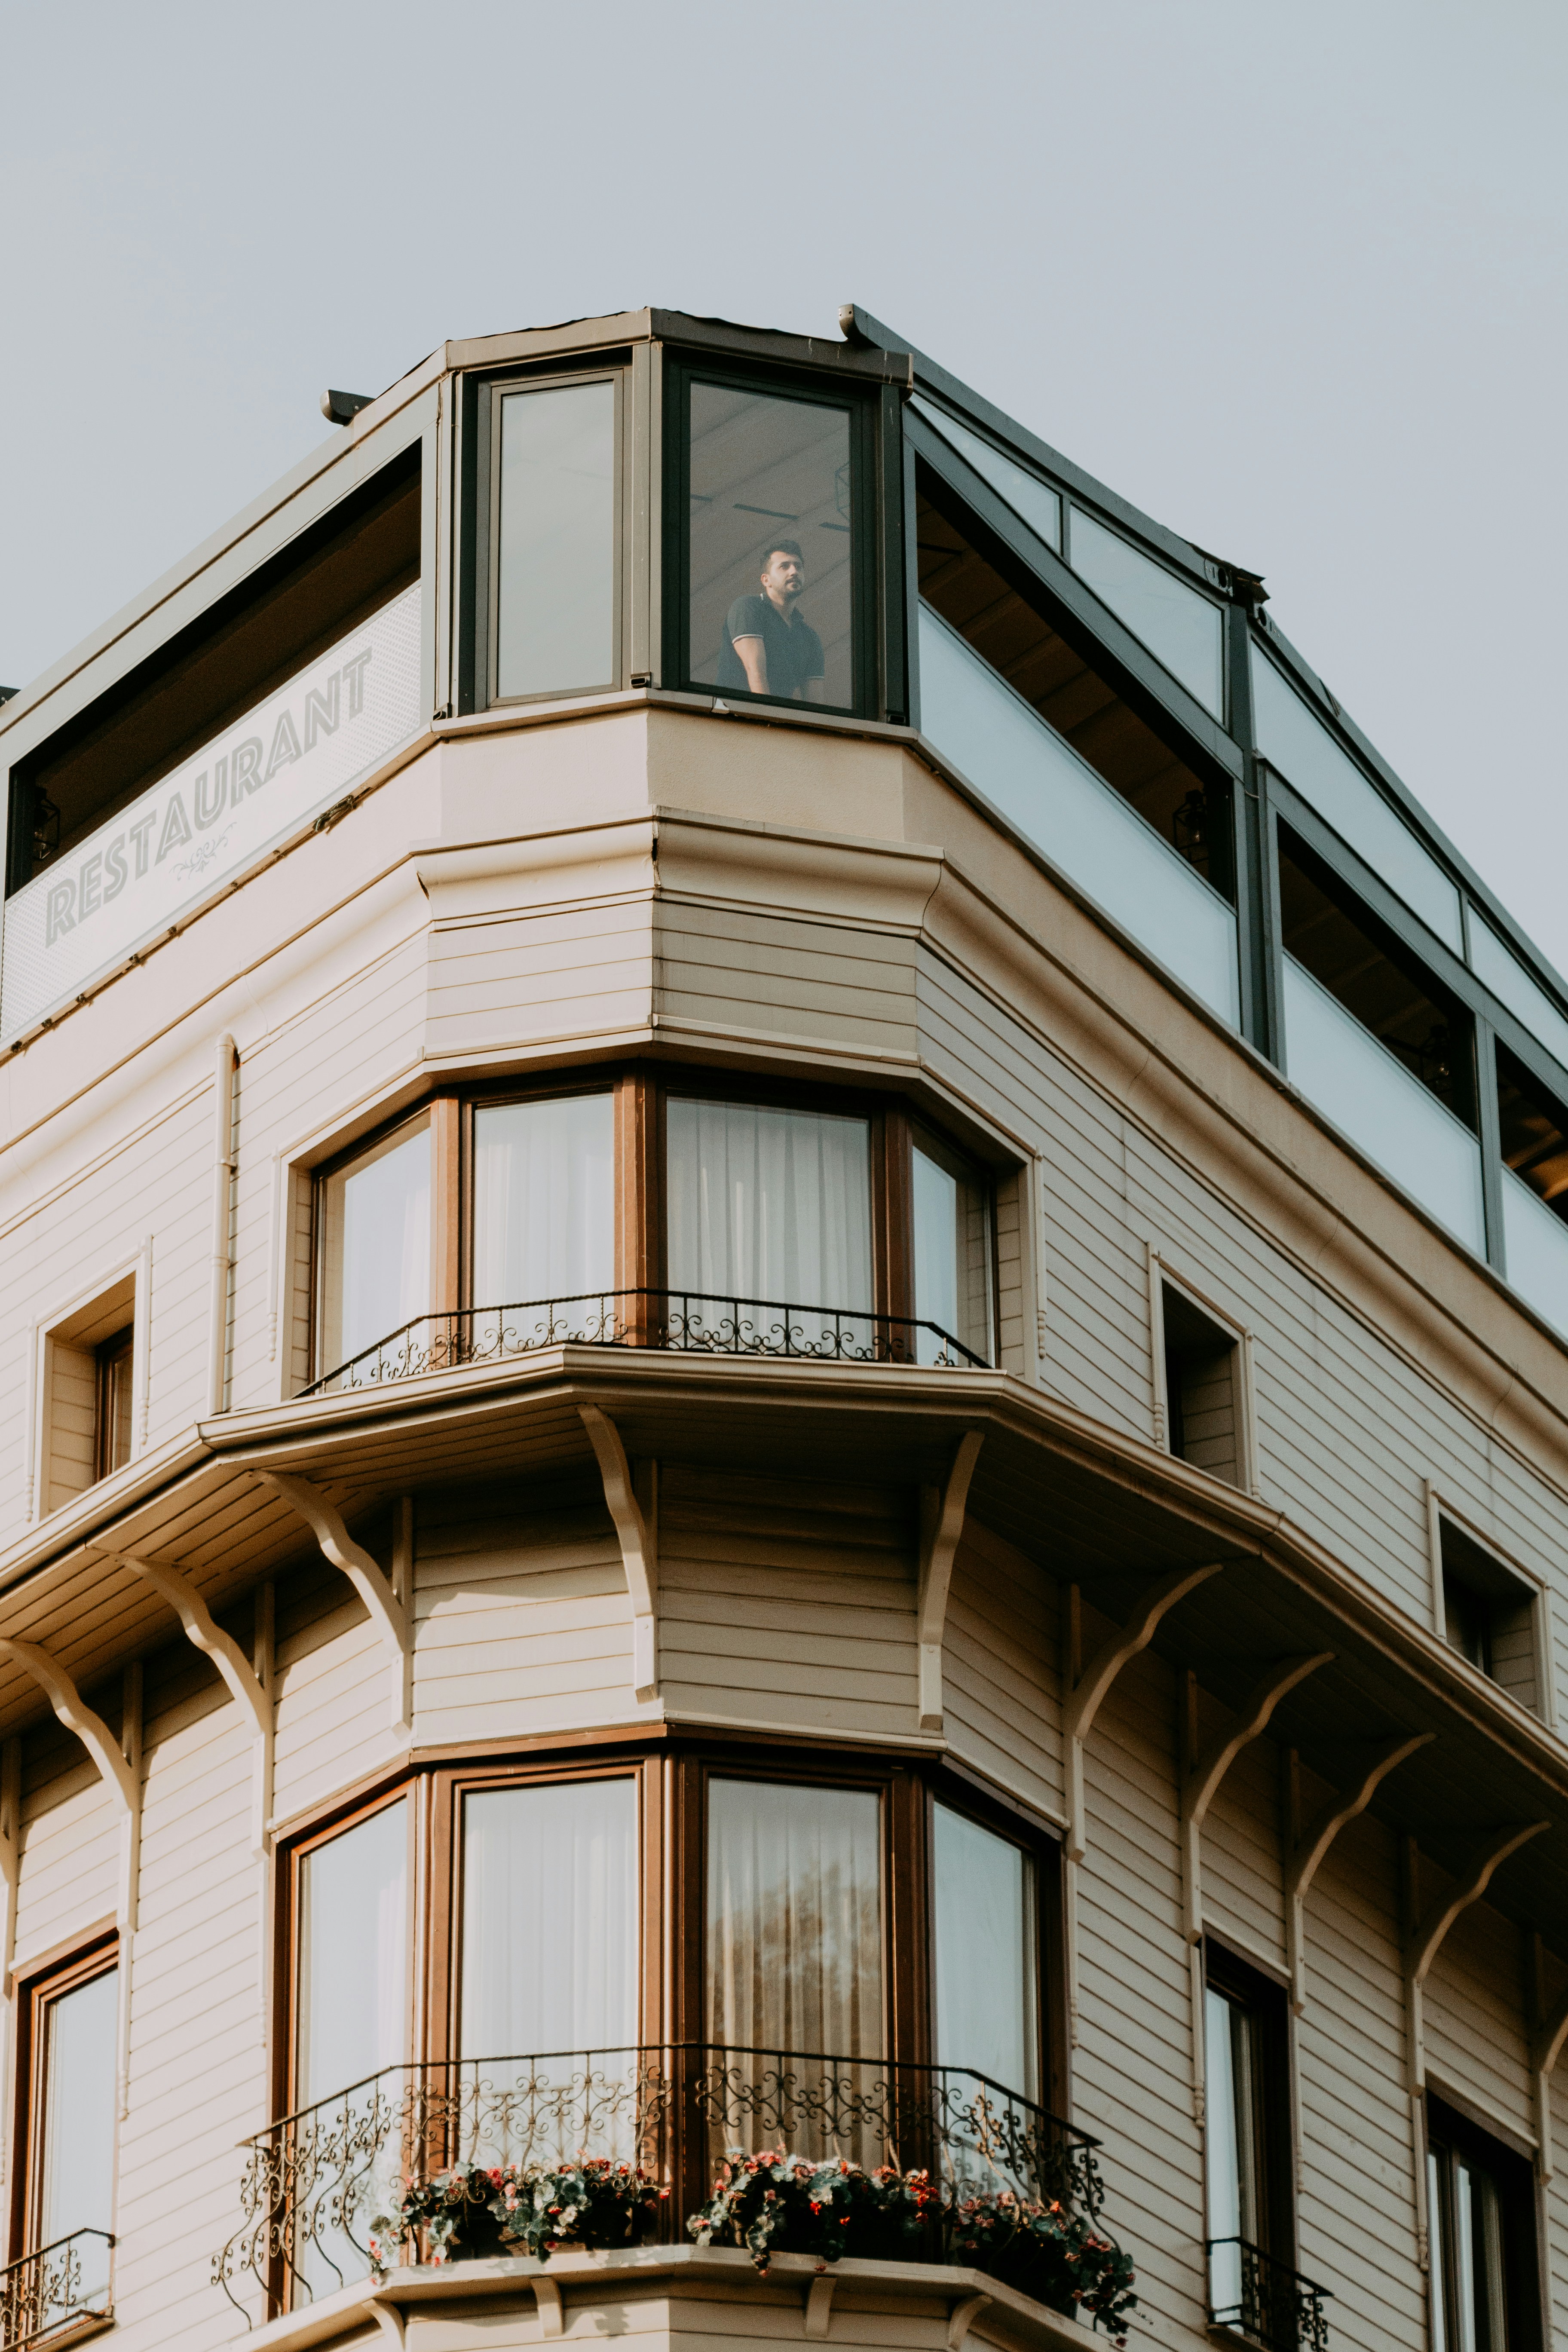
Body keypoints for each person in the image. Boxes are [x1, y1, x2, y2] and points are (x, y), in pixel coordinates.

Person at [716, 539, 827, 702]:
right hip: (733, 718)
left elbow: (816, 701)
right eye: (784, 566)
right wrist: (767, 721)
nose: (794, 571)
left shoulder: (809, 637)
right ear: (766, 580)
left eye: (799, 566)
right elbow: (756, 673)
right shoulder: (749, 607)